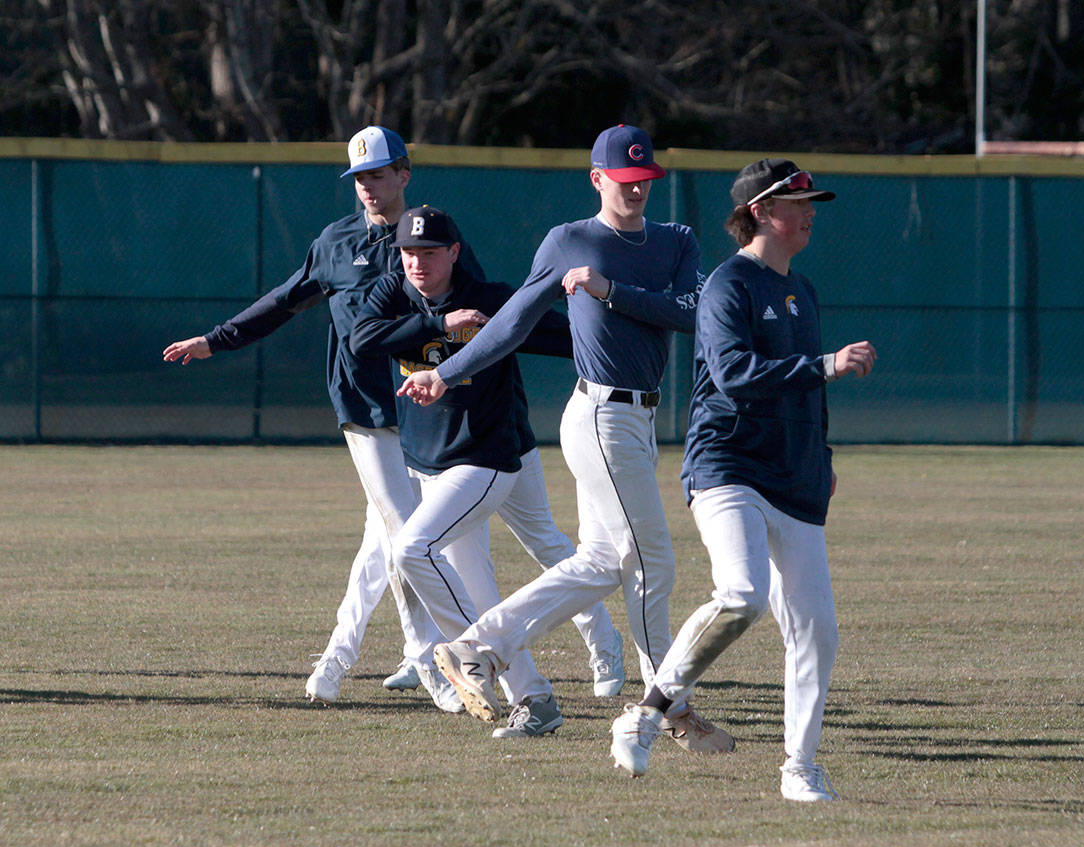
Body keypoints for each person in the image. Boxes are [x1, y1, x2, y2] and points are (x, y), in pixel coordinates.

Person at [161, 126, 622, 707]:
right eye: (358, 178)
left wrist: (606, 334)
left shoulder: (437, 240)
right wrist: (217, 339)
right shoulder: (336, 243)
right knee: (405, 543)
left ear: (404, 173)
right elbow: (288, 303)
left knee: (513, 540)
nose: (368, 187)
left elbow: (496, 327)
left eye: (378, 174)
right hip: (373, 414)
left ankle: (595, 644)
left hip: (456, 420)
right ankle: (424, 666)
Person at [398, 124, 732, 753]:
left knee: (603, 562)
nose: (635, 190)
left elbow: (694, 314)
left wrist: (613, 291)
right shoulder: (569, 241)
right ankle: (673, 707)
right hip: (600, 414)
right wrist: (444, 372)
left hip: (640, 419)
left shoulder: (675, 240)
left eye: (644, 180)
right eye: (623, 180)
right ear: (596, 178)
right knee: (652, 562)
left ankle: (481, 645)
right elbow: (514, 321)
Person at [608, 159, 877, 802]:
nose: (810, 209)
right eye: (797, 199)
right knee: (743, 594)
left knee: (817, 630)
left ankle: (799, 767)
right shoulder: (729, 284)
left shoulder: (802, 290)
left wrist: (825, 456)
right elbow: (733, 374)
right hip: (727, 465)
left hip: (794, 476)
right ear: (759, 210)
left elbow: (809, 396)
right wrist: (825, 364)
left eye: (813, 198)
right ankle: (647, 713)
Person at [349, 204, 620, 737]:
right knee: (475, 589)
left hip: (490, 457)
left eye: (430, 252)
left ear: (453, 252)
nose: (418, 263)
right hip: (434, 464)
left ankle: (476, 657)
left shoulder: (491, 299)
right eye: (408, 253)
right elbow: (360, 341)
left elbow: (565, 339)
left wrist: (611, 311)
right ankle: (535, 699)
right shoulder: (392, 294)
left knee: (414, 549)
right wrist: (436, 324)